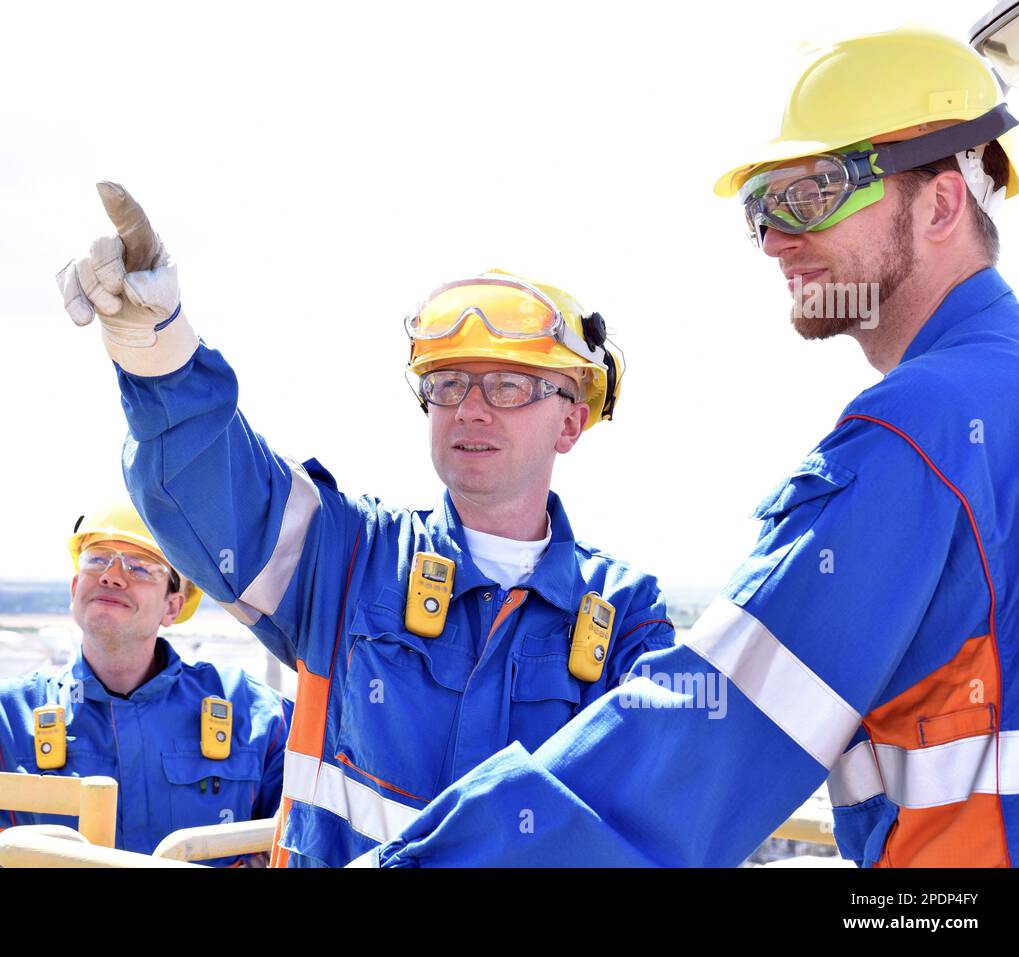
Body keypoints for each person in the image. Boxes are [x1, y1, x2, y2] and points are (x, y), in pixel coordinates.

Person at [340, 25, 1019, 867]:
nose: (775, 238)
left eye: (811, 194)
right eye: (762, 208)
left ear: (941, 203)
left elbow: (715, 729)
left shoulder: (922, 429)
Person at [56, 185, 677, 867]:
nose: (470, 409)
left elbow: (664, 801)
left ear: (570, 420)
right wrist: (161, 353)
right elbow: (213, 490)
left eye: (508, 385)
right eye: (448, 384)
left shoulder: (623, 617)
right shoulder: (351, 560)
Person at [0, 501, 292, 862]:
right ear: (74, 590)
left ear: (173, 605)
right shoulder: (5, 718)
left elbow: (311, 828)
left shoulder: (251, 713)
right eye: (97, 560)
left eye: (141, 566)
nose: (113, 576)